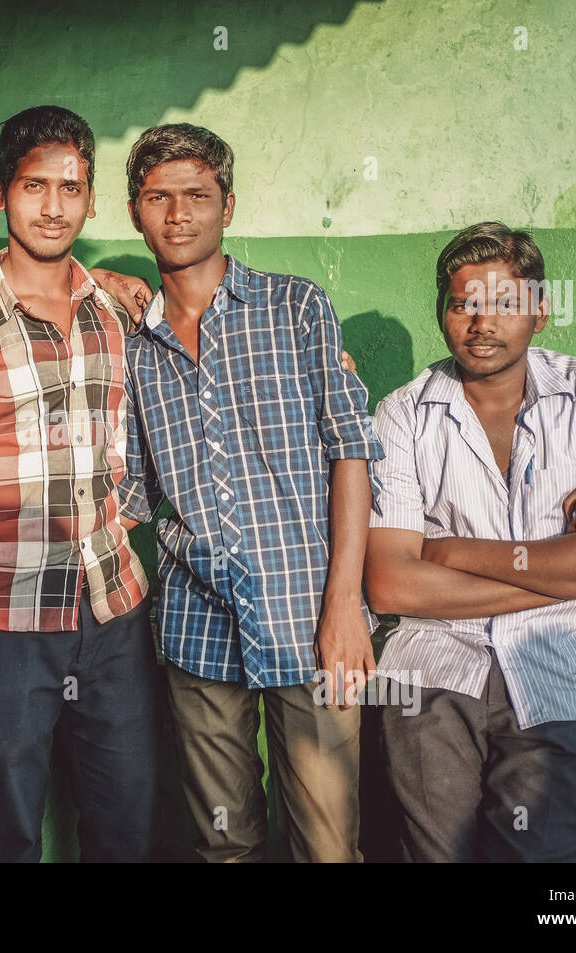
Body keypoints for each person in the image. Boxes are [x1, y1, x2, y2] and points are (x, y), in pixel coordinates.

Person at [116, 123, 383, 863]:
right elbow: (135, 493)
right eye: (157, 198)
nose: (178, 214)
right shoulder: (133, 349)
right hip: (197, 624)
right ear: (135, 213)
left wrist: (344, 604)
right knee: (222, 843)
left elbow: (350, 450)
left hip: (309, 617)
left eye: (197, 196)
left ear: (227, 207)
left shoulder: (295, 308)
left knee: (328, 845)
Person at [0, 105, 160, 862]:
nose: (53, 206)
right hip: (0, 622)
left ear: (91, 200)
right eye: (33, 186)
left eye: (70, 187)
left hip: (112, 606)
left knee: (126, 821)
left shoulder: (119, 312)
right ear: (0, 194)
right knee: (8, 828)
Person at [364, 222, 576, 862]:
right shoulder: (403, 415)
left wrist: (449, 552)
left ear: (541, 312)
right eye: (463, 303)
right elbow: (391, 584)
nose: (481, 322)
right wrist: (571, 564)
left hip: (562, 678)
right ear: (443, 312)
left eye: (505, 303)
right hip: (431, 679)